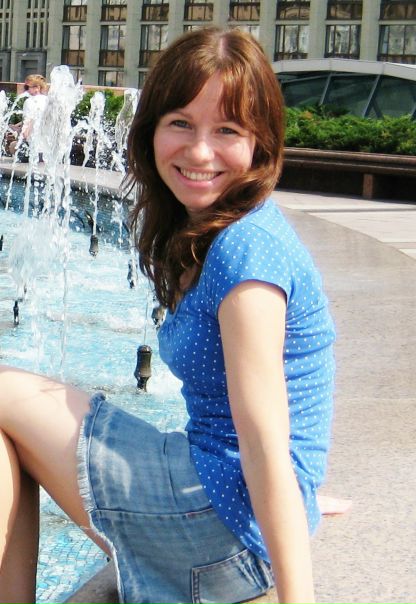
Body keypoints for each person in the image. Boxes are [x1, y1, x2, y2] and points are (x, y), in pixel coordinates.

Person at [0, 28, 339, 604]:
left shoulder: (246, 257)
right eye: (181, 123)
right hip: (226, 515)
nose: (200, 152)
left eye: (227, 130)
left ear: (260, 142)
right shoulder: (223, 229)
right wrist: (304, 494)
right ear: (151, 128)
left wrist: (296, 589)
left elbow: (264, 443)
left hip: (218, 537)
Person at [8, 74, 48, 160]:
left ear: (37, 87)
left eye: (27, 87)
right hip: (47, 152)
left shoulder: (29, 102)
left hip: (33, 151)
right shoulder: (47, 100)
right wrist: (18, 126)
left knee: (12, 146)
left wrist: (19, 133)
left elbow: (26, 129)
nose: (25, 90)